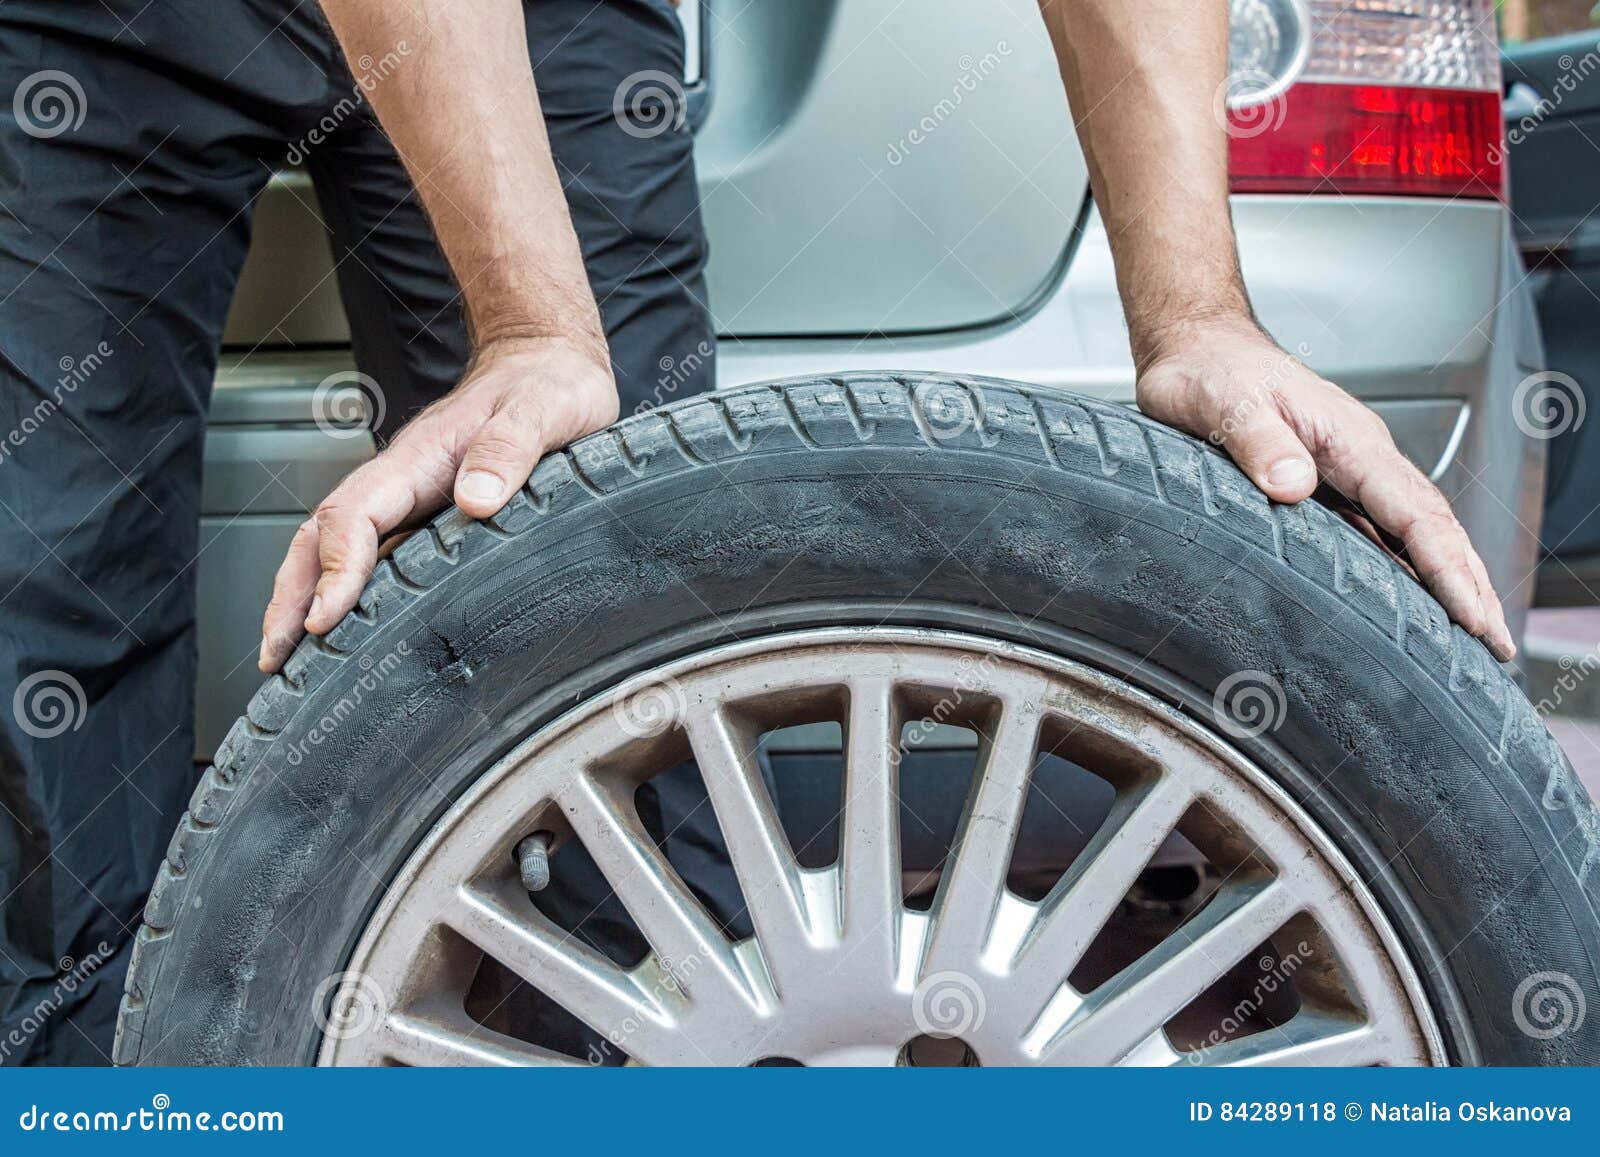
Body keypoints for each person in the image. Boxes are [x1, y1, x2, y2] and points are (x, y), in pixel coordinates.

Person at [0, 0, 1510, 1065]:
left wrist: (1197, 318)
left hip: (542, 24)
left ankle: (614, 1084)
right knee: (46, 613)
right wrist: (532, 327)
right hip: (97, 33)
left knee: (613, 603)